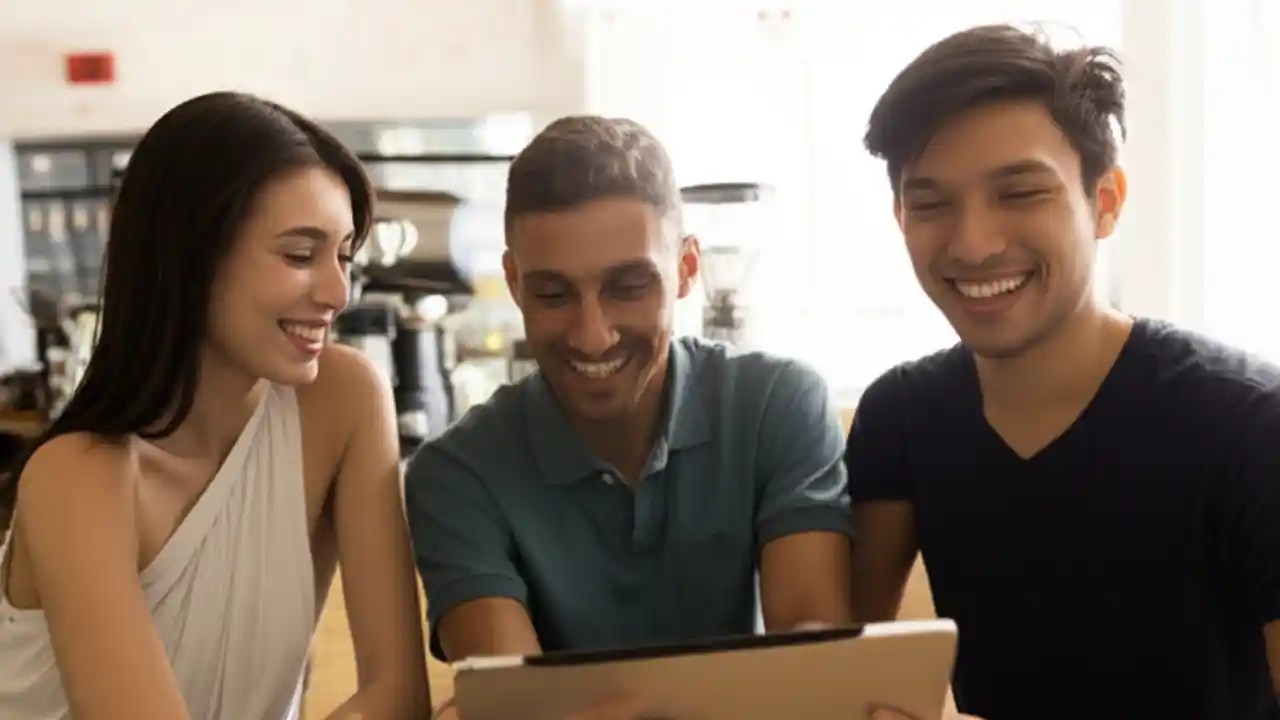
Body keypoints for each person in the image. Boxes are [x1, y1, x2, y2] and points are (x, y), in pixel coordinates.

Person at [845, 23, 1280, 720]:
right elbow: (834, 674)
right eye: (931, 203)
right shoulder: (903, 416)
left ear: (1104, 202)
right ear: (900, 215)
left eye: (1020, 193)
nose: (974, 244)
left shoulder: (1249, 425)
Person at [0, 92, 430, 720]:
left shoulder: (341, 401)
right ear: (190, 258)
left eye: (343, 256)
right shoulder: (79, 477)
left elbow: (397, 696)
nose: (338, 292)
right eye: (298, 255)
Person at [405, 115, 854, 669]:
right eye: (552, 293)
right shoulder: (456, 473)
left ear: (687, 268)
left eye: (630, 287)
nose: (592, 335)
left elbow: (814, 665)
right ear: (515, 283)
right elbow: (512, 706)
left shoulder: (777, 406)